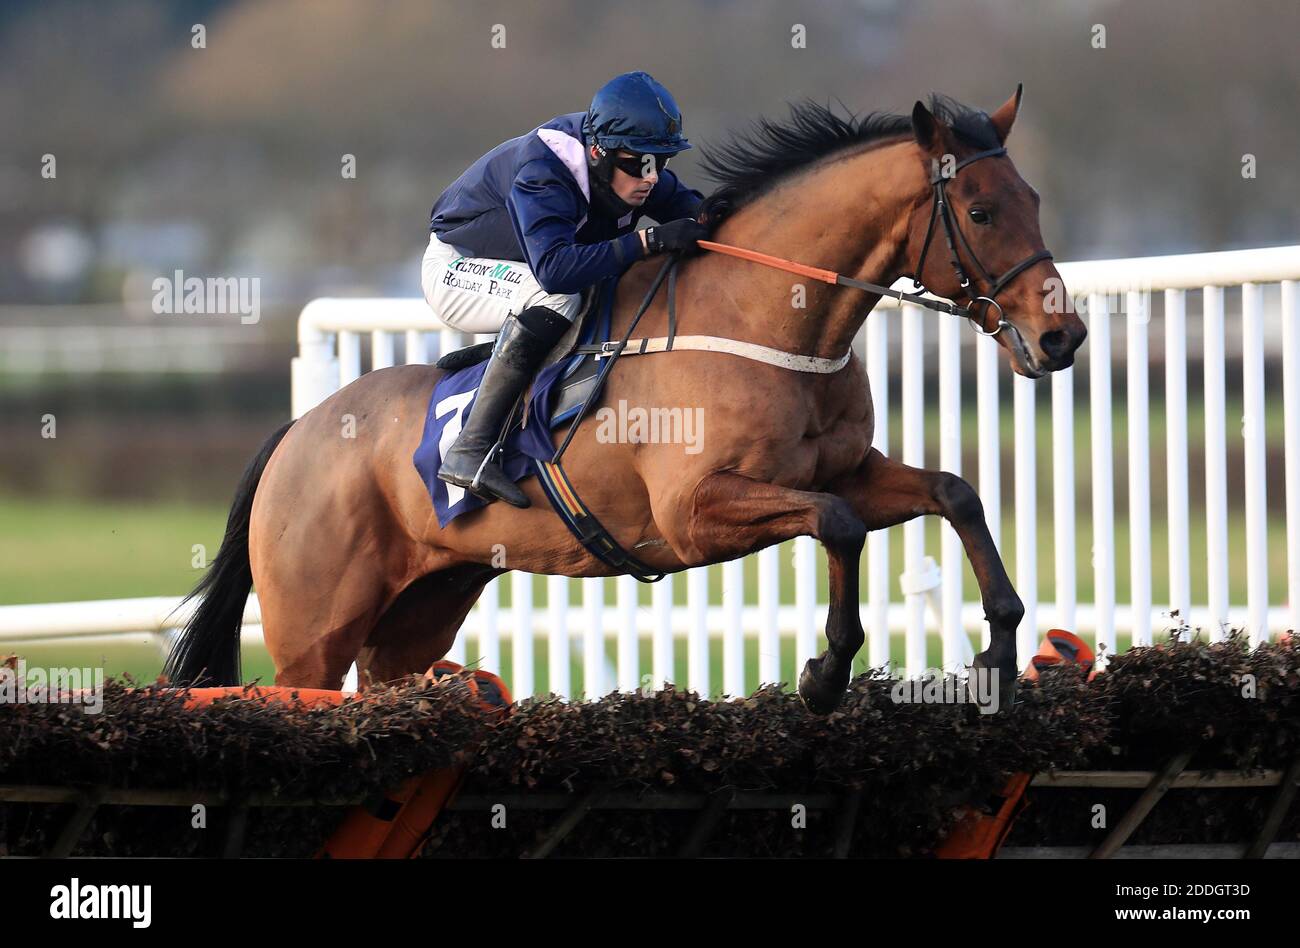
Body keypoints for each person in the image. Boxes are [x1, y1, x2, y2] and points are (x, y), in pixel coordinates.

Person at [425, 71, 708, 508]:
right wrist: (648, 240)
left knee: (610, 278)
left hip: (524, 267)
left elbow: (693, 210)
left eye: (661, 162)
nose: (650, 178)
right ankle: (470, 448)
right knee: (559, 296)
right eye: (639, 164)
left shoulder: (628, 155)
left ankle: (512, 352)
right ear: (598, 153)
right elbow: (556, 271)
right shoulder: (544, 169)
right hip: (456, 268)